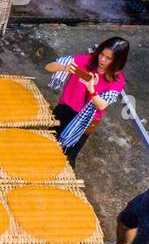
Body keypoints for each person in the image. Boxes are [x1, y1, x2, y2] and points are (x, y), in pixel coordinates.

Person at [44, 37, 129, 165]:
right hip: (65, 108)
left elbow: (101, 105)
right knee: (47, 141)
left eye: (108, 58)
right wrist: (64, 67)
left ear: (118, 61)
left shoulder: (117, 80)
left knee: (67, 155)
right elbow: (49, 67)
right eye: (101, 54)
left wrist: (91, 89)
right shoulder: (85, 60)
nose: (102, 59)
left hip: (86, 120)